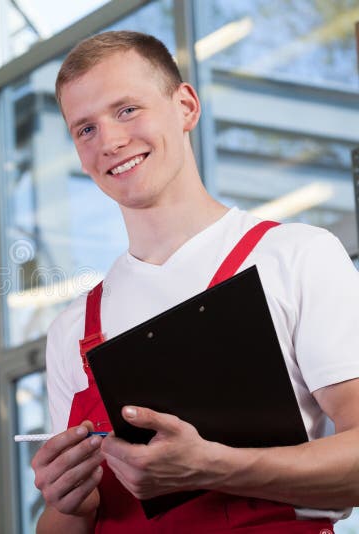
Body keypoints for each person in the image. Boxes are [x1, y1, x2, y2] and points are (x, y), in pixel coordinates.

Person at [31, 30, 359, 533]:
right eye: (85, 129)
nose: (111, 141)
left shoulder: (293, 256)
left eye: (126, 110)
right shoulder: (72, 330)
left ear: (185, 105)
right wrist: (69, 505)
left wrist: (213, 467)